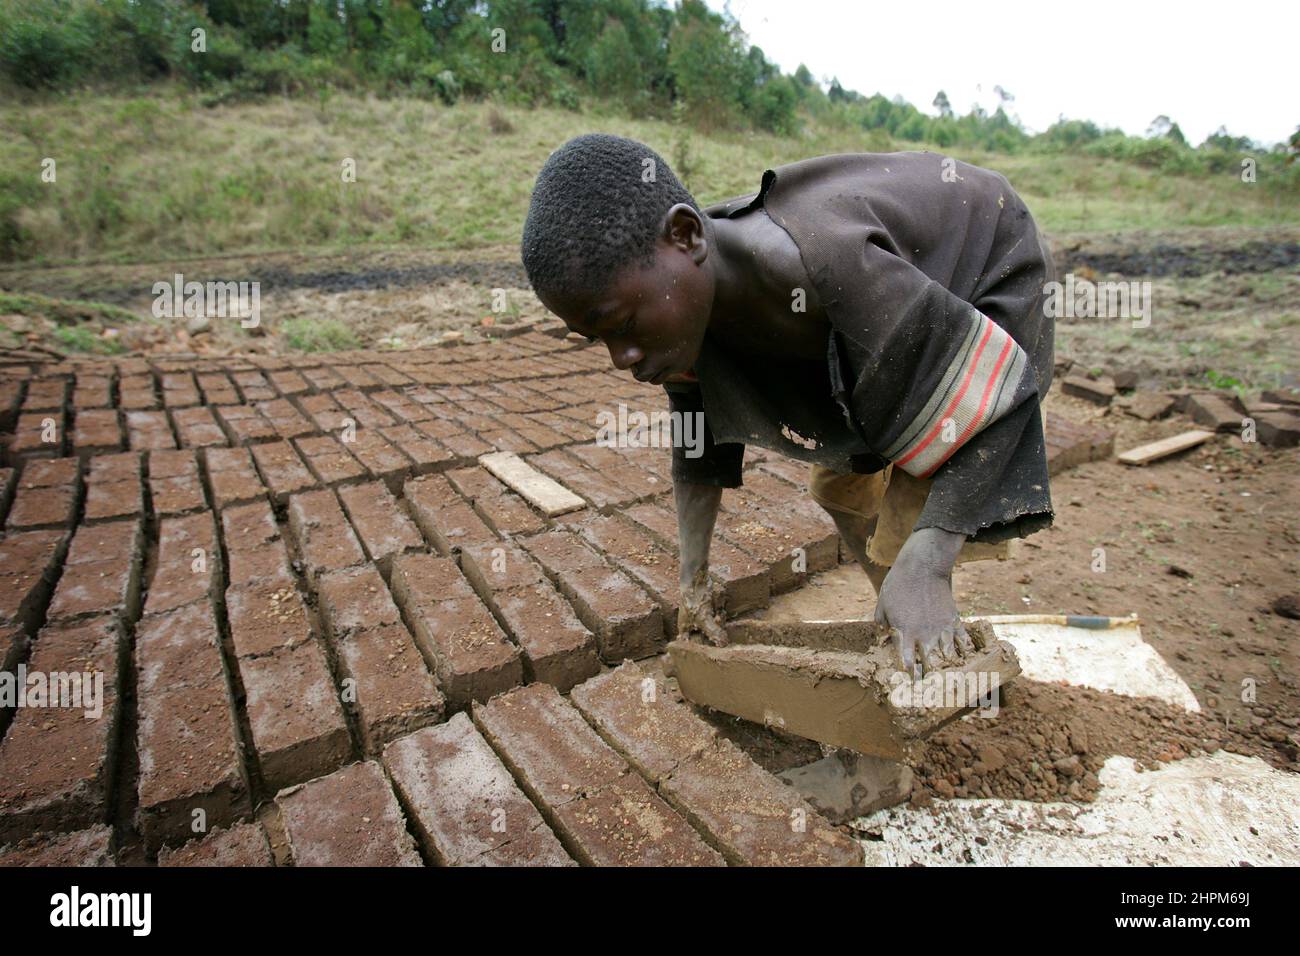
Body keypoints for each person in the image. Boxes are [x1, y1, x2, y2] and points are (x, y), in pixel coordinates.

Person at [521, 133, 1056, 677]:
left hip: (983, 256)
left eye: (623, 326)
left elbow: (1000, 397)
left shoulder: (829, 267)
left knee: (918, 511)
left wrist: (928, 565)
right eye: (599, 340)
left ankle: (925, 652)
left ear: (685, 236)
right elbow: (698, 442)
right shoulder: (685, 300)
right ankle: (898, 611)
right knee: (841, 488)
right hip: (883, 313)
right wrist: (694, 580)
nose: (620, 358)